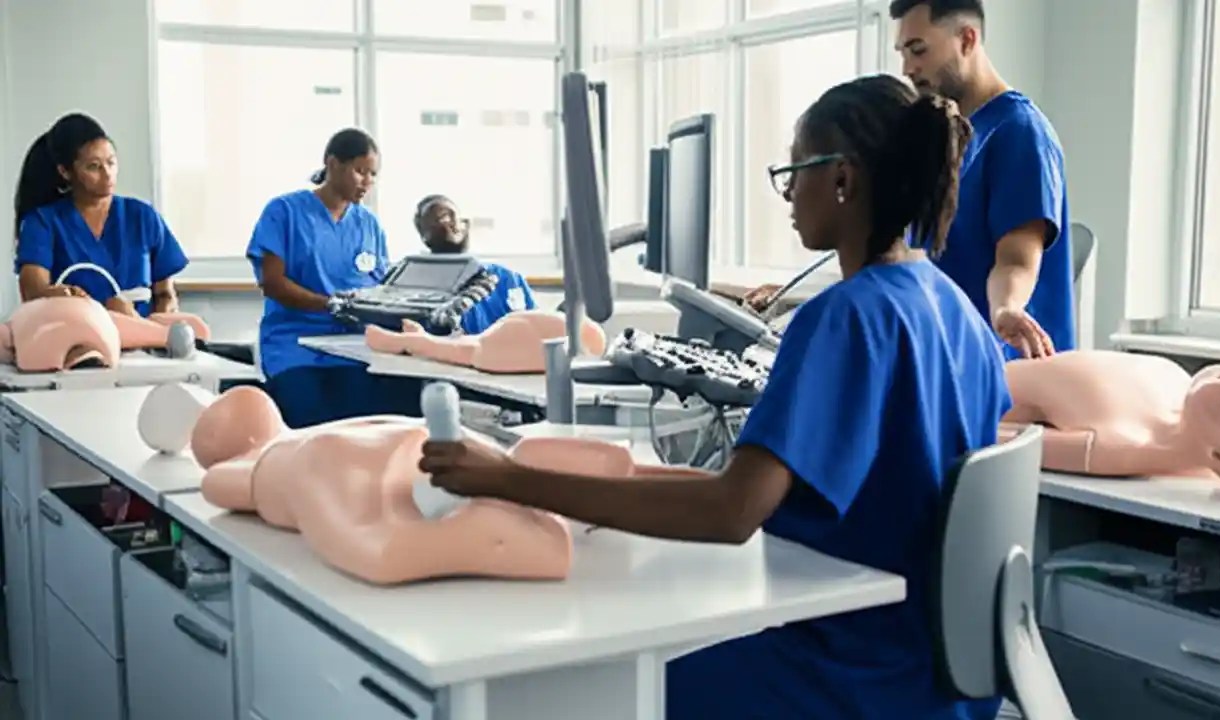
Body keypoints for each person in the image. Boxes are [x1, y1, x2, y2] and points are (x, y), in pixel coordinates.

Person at [420, 75, 1010, 720]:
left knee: (594, 690)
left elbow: (732, 512)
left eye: (794, 172)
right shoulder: (954, 307)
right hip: (934, 675)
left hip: (849, 672)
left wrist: (509, 479)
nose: (788, 195)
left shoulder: (845, 318)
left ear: (842, 179)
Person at [748, 0, 1073, 361]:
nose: (908, 68)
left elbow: (1015, 260)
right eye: (903, 53)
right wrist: (805, 299)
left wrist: (1006, 309)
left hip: (1000, 370)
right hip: (938, 356)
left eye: (919, 51)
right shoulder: (934, 141)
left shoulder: (1018, 132)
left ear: (967, 40)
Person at [246, 128, 416, 428]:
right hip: (294, 344)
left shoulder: (369, 224)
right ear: (332, 164)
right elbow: (272, 282)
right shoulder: (284, 212)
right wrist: (332, 305)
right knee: (310, 414)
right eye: (360, 171)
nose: (368, 182)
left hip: (353, 346)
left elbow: (380, 289)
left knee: (390, 410)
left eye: (373, 174)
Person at [12, 113, 188, 316]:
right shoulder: (43, 223)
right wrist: (76, 302)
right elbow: (34, 293)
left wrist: (153, 330)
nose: (107, 174)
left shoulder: (142, 217)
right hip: (78, 339)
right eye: (94, 167)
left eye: (111, 163)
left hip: (144, 340)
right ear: (65, 171)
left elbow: (165, 294)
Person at [413, 193, 537, 334]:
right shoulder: (416, 285)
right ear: (424, 235)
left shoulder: (508, 278)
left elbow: (537, 331)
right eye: (442, 218)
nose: (450, 223)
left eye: (454, 217)